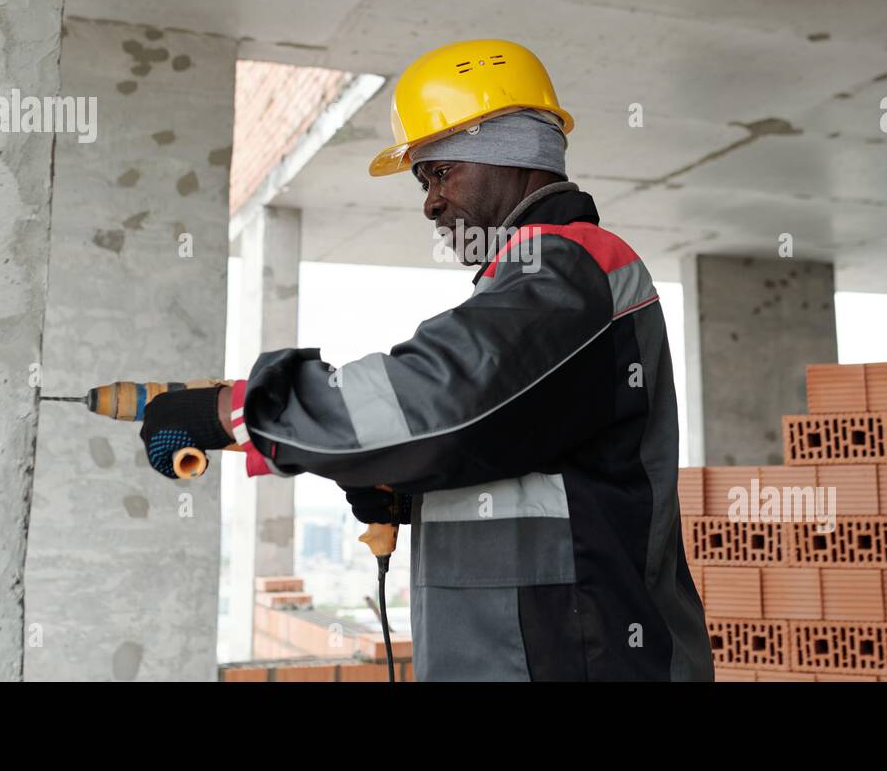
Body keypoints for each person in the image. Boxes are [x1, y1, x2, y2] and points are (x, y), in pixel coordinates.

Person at [141, 39, 714, 681]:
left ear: (511, 152)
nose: (430, 202)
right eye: (424, 181)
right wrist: (412, 496)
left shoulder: (568, 265)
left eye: (440, 172)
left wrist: (239, 409)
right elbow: (528, 462)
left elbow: (441, 398)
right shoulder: (542, 277)